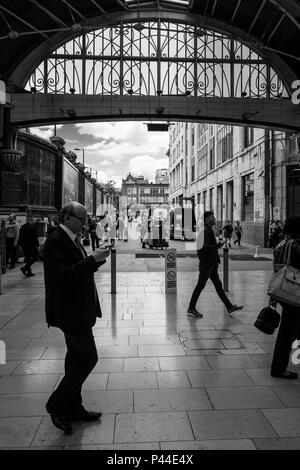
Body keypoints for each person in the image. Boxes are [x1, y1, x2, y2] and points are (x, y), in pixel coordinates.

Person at [44, 201, 110, 434]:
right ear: (68, 217)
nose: (85, 224)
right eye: (82, 219)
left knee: (75, 358)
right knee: (88, 358)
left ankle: (74, 408)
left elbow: (78, 269)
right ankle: (56, 404)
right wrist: (92, 260)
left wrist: (97, 259)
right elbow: (64, 276)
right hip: (70, 312)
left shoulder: (70, 238)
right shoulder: (56, 241)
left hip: (78, 310)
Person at [187, 211, 243, 318]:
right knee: (200, 286)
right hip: (207, 265)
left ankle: (229, 307)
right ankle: (191, 308)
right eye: (212, 217)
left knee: (218, 286)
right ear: (208, 219)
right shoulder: (205, 231)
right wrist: (219, 245)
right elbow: (205, 248)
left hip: (211, 265)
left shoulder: (208, 230)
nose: (214, 218)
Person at [270, 216, 300, 379]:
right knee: (287, 332)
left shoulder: (280, 245)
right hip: (294, 293)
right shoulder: (295, 245)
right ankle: (278, 369)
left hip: (284, 291)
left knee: (290, 329)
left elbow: (277, 269)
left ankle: (279, 367)